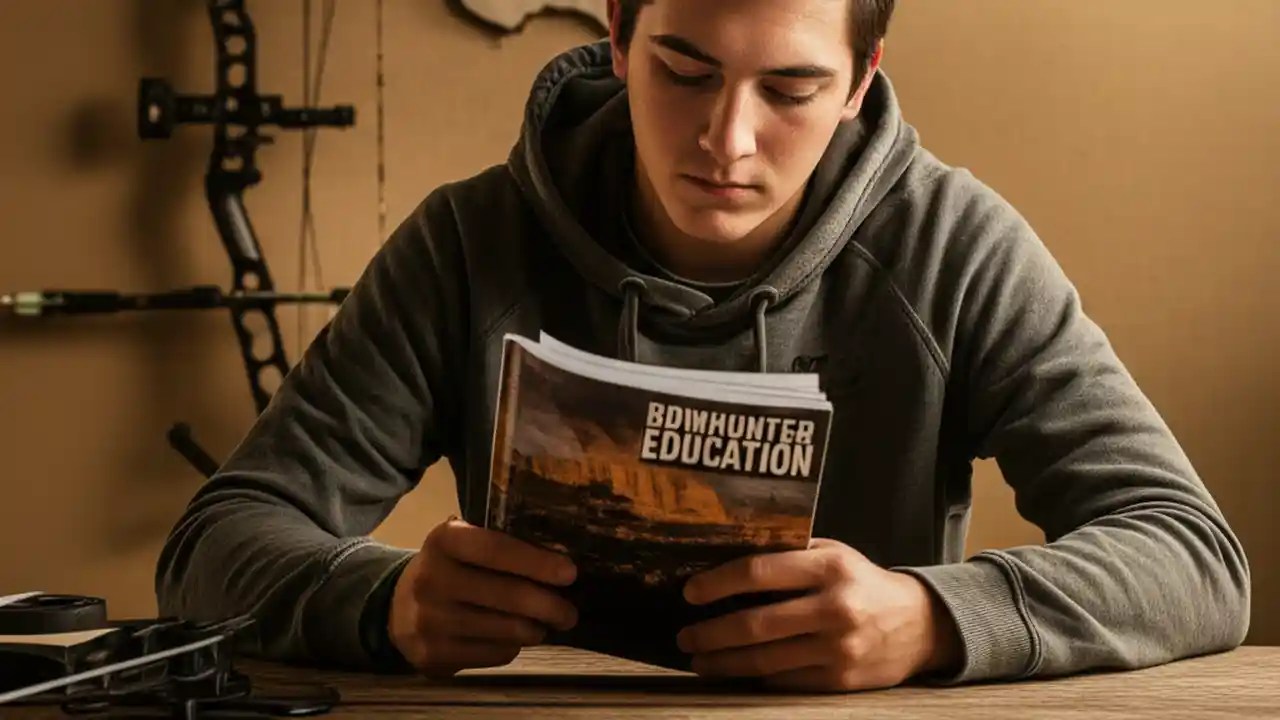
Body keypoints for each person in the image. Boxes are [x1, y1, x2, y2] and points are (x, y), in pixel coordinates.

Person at [155, 0, 1251, 693]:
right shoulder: (465, 243)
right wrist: (381, 603)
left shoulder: (952, 246)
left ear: (860, 80)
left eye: (790, 90)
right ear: (617, 39)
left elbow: (1191, 558)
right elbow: (212, 547)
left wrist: (928, 620)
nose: (726, 142)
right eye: (682, 72)